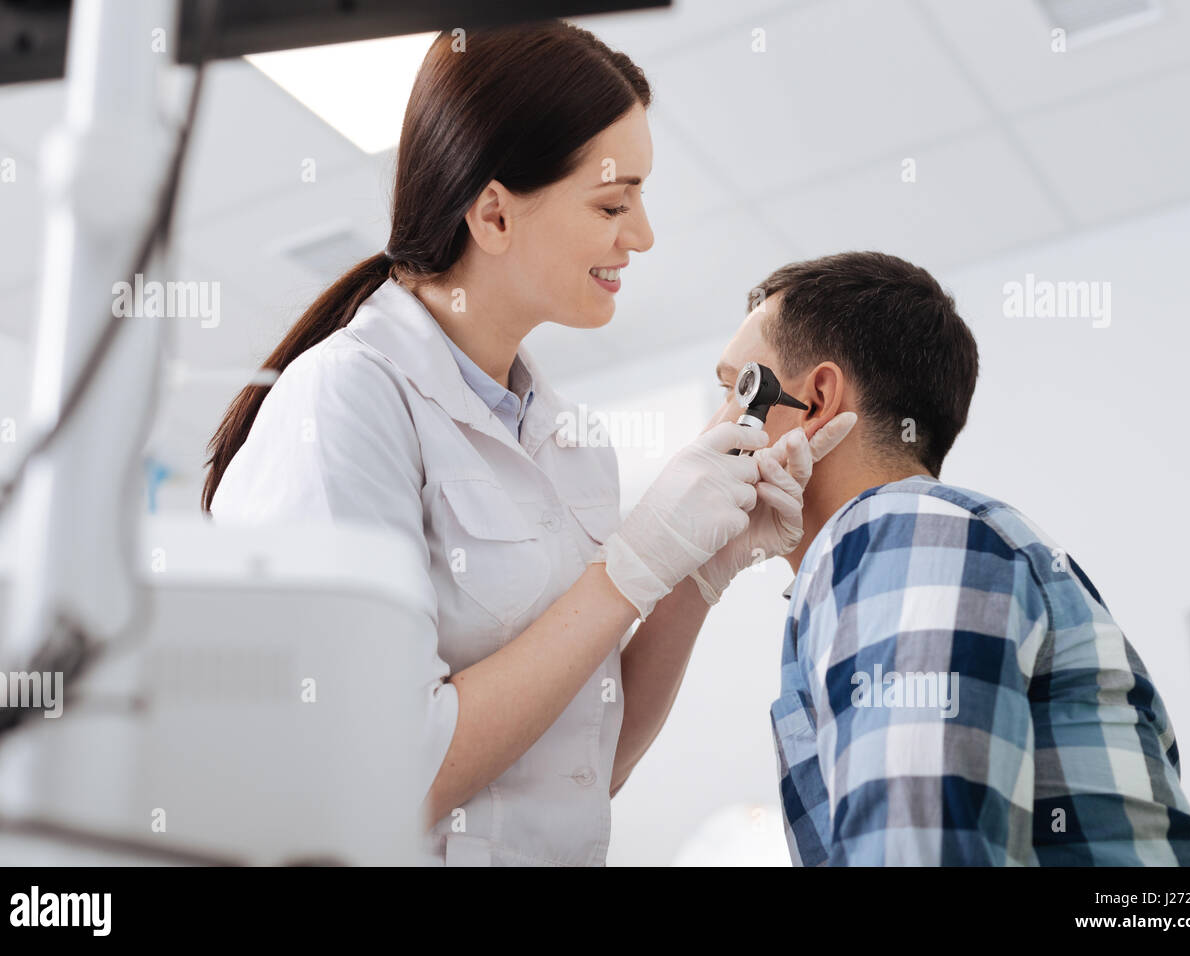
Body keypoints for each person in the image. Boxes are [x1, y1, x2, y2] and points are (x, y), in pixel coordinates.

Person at [201, 21, 851, 866]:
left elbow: (580, 767)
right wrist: (628, 569)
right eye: (615, 203)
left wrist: (696, 573)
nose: (643, 234)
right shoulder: (345, 400)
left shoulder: (573, 445)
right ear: (496, 213)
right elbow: (382, 776)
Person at [706, 250, 1190, 866]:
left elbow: (918, 852)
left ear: (816, 401)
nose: (713, 425)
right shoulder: (898, 542)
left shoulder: (895, 533)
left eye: (733, 388)